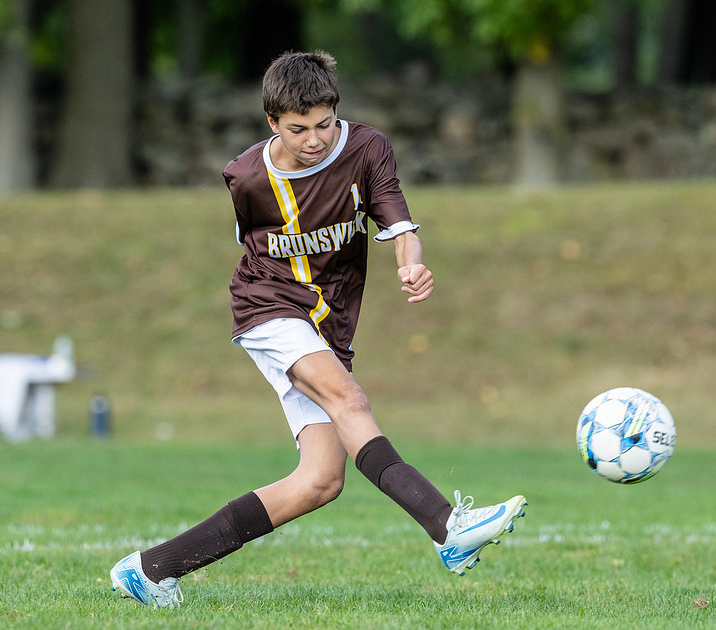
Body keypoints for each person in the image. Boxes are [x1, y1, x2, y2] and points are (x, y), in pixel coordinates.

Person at [110, 50, 527, 610]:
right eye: (298, 129)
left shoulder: (367, 149)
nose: (315, 139)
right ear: (272, 124)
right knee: (348, 399)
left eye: (325, 124)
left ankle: (151, 569)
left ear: (337, 111)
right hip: (268, 309)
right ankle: (447, 528)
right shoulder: (247, 177)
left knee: (321, 480)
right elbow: (253, 252)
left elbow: (400, 223)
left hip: (329, 324)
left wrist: (411, 261)